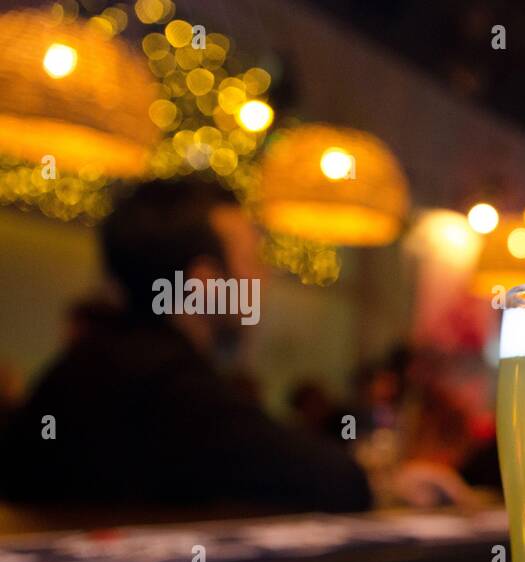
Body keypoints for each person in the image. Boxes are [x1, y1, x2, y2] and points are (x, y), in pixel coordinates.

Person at [0, 180, 371, 513]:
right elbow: (340, 482)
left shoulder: (81, 366)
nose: (264, 277)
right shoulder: (169, 387)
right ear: (206, 284)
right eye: (252, 259)